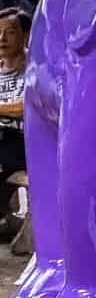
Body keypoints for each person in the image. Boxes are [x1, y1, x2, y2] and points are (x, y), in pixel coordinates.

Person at [0, 10, 28, 193]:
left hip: (23, 141)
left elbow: (28, 108)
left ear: (25, 35)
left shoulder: (36, 67)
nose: (1, 38)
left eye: (9, 32)